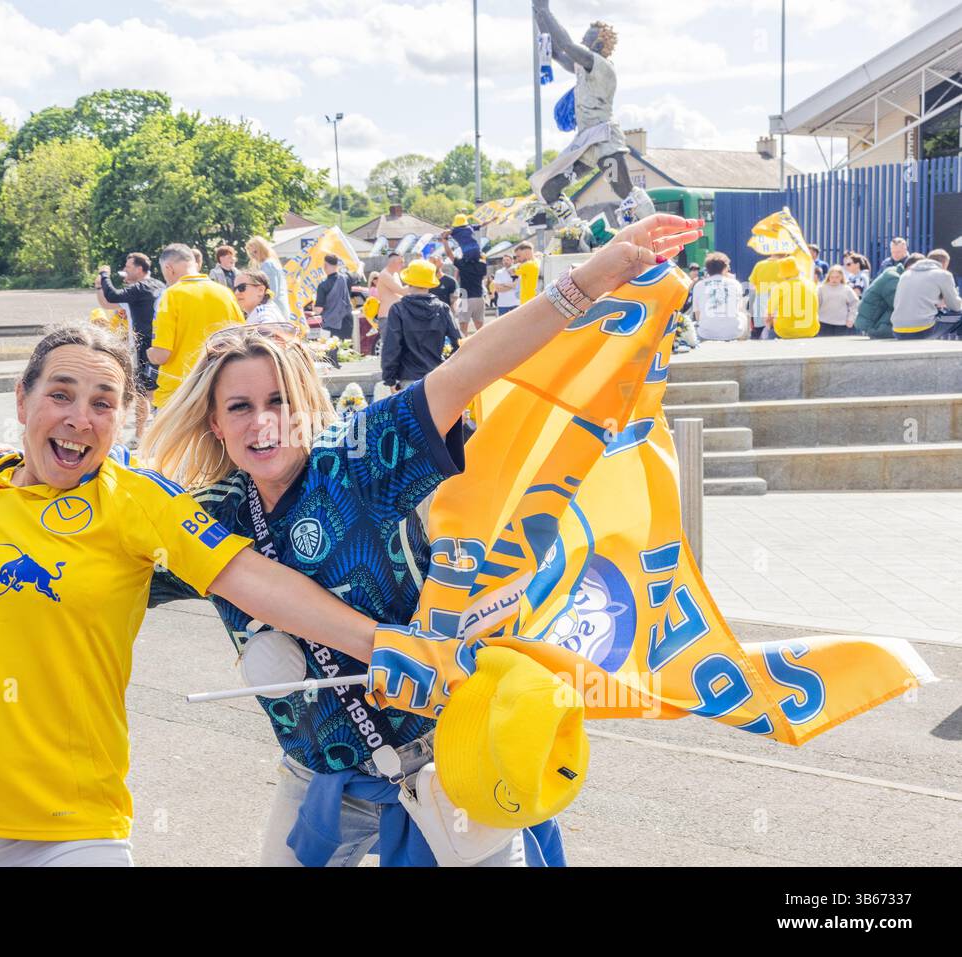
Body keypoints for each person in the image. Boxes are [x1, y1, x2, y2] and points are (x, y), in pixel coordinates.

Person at [139, 212, 703, 867]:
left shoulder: (359, 456)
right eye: (240, 407)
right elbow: (96, 544)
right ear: (213, 421)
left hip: (451, 762)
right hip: (323, 783)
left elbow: (469, 371)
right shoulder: (208, 517)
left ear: (306, 404)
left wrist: (593, 277)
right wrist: (13, 480)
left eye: (279, 401)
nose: (263, 422)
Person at [0, 324, 409, 867]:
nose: (79, 418)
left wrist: (386, 645)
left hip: (72, 830)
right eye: (60, 394)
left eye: (103, 403)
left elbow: (254, 581)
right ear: (22, 400)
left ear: (119, 421)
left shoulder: (139, 503)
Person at [530, 0, 654, 226]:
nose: (583, 40)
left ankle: (650, 223)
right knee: (549, 188)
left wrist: (546, 10)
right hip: (587, 142)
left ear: (598, 43)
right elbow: (558, 52)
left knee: (624, 190)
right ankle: (574, 230)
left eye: (587, 37)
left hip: (604, 138)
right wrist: (539, 15)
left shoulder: (600, 65)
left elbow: (565, 44)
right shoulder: (584, 67)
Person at [146, 243, 244, 411]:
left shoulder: (171, 295)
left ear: (169, 268)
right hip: (219, 388)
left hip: (179, 393)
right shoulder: (225, 293)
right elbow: (242, 341)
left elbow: (162, 354)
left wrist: (150, 354)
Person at [99, 252, 165, 445]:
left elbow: (111, 295)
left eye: (128, 268)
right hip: (157, 342)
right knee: (147, 391)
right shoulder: (159, 285)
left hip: (145, 345)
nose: (125, 272)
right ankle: (143, 434)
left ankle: (148, 434)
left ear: (139, 268)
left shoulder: (141, 287)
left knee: (146, 392)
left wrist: (104, 275)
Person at [380, 259, 464, 391]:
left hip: (408, 378)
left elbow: (392, 346)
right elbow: (458, 342)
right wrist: (447, 366)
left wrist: (389, 378)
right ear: (430, 284)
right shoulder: (443, 308)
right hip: (437, 376)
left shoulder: (398, 309)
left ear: (408, 281)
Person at [891, 248, 962, 339]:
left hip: (898, 330)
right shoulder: (943, 274)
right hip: (922, 330)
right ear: (944, 264)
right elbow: (955, 306)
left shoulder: (905, 275)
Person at [856, 253, 921, 339]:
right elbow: (898, 304)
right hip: (874, 325)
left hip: (873, 320)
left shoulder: (896, 273)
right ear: (910, 268)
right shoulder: (893, 278)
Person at [439, 232, 487, 334]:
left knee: (463, 326)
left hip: (465, 295)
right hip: (479, 296)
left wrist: (445, 241)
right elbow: (483, 275)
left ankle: (463, 346)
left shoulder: (462, 264)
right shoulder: (482, 265)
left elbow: (449, 254)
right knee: (480, 326)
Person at [692, 252, 746, 341]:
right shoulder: (735, 284)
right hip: (733, 333)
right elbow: (739, 309)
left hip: (706, 334)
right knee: (743, 315)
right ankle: (742, 342)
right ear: (724, 268)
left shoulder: (699, 285)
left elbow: (697, 314)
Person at [245, 236, 290, 321]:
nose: (253, 256)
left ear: (262, 249)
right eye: (251, 254)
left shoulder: (267, 265)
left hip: (273, 311)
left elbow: (271, 292)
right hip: (279, 309)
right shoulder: (273, 262)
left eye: (255, 252)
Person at [313, 253, 354, 337]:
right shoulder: (346, 278)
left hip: (330, 325)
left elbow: (318, 310)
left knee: (329, 349)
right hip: (347, 323)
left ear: (325, 265)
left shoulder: (323, 286)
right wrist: (361, 265)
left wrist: (313, 306)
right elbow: (358, 274)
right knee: (345, 348)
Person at [817, 265, 858, 336]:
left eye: (837, 277)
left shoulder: (847, 289)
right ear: (828, 277)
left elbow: (854, 303)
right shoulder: (821, 288)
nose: (834, 279)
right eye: (832, 277)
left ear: (841, 277)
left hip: (842, 324)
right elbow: (816, 304)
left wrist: (851, 318)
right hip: (823, 323)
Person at [513, 241, 541, 307]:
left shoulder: (527, 265)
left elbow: (512, 271)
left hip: (527, 302)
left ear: (526, 253)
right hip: (535, 299)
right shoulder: (538, 262)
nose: (517, 259)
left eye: (518, 256)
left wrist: (518, 265)